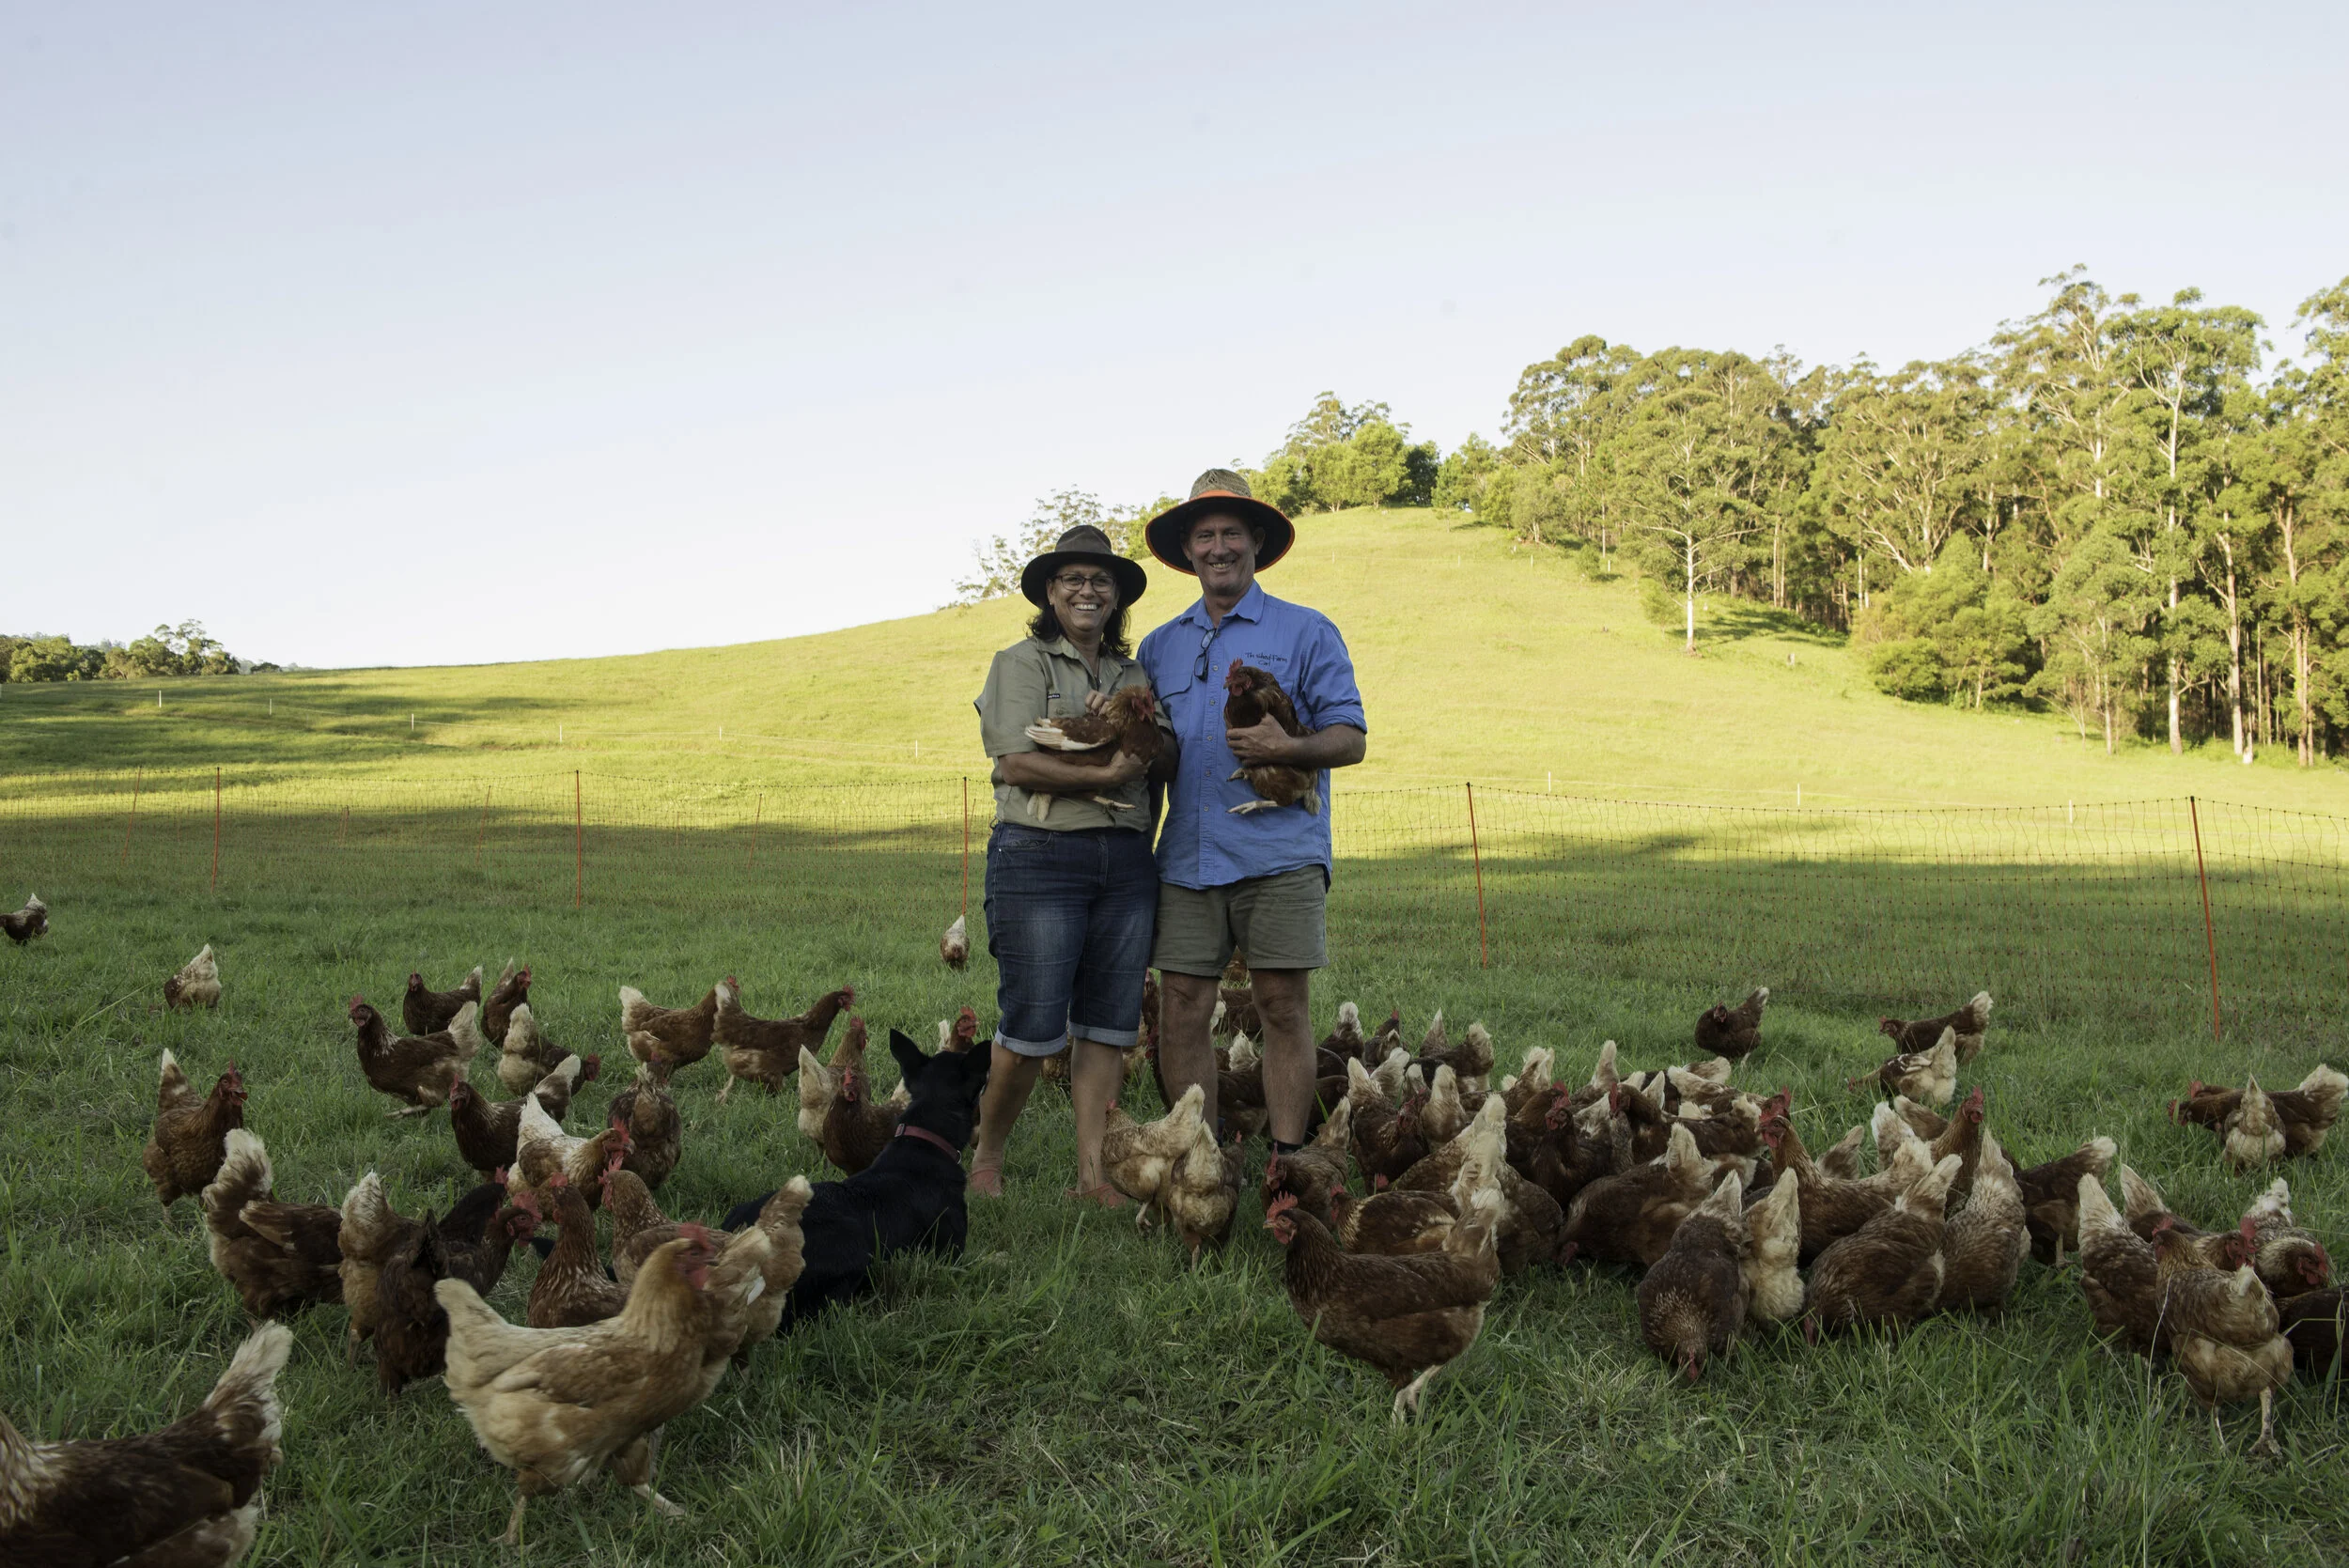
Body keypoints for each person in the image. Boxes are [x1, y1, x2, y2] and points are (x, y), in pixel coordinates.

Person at [1135, 470, 1366, 1155]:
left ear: (1256, 541)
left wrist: (1289, 744)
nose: (1218, 547)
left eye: (1231, 532)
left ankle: (1287, 1159)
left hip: (1279, 852)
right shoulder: (1160, 645)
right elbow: (1152, 756)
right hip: (1187, 854)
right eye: (1203, 534)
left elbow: (1350, 736)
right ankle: (1199, 1158)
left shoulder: (1306, 630)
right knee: (1181, 1008)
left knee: (1281, 1006)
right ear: (1189, 549)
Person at [969, 523, 1174, 1203]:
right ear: (1051, 593)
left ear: (1116, 596)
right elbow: (1015, 762)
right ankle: (986, 1159)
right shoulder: (1022, 663)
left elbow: (1161, 752)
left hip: (1125, 858)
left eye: (1101, 580)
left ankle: (1092, 1176)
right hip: (1041, 855)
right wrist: (1110, 771)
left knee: (1109, 1027)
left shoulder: (1133, 673)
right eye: (1074, 580)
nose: (1088, 590)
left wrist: (1130, 732)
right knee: (1031, 1027)